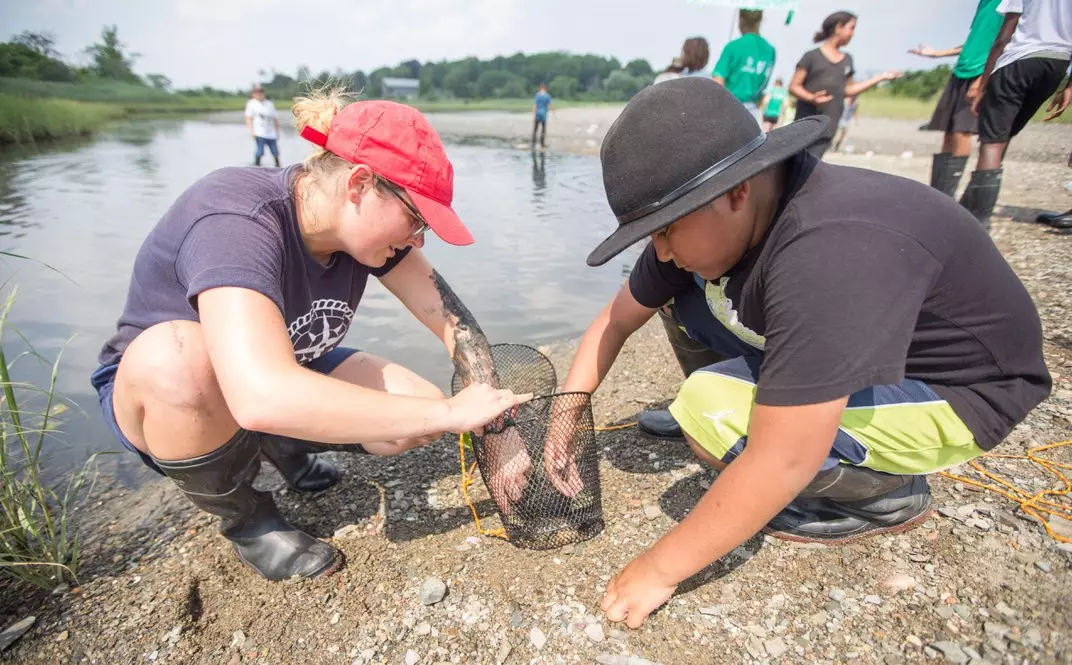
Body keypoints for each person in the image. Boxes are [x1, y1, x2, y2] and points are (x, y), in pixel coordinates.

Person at [544, 78, 1049, 628]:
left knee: (707, 407)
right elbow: (614, 321)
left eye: (664, 230)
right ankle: (764, 410)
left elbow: (785, 457)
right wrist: (563, 421)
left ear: (736, 191)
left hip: (956, 391)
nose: (658, 250)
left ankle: (883, 491)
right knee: (673, 297)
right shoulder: (721, 215)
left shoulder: (824, 251)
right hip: (868, 347)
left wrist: (659, 569)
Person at [89, 87, 532, 583]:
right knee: (178, 361)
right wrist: (452, 413)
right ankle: (249, 519)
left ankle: (282, 445)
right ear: (360, 184)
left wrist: (499, 433)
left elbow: (455, 323)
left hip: (282, 369)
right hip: (170, 389)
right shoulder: (238, 219)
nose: (418, 238)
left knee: (414, 410)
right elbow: (258, 394)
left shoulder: (371, 237)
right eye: (416, 218)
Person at [960, 0, 1072, 229]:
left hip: (1018, 61)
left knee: (992, 142)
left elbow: (1003, 36)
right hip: (1057, 63)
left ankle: (978, 222)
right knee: (1004, 134)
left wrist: (983, 84)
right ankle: (968, 205)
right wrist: (1070, 84)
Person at [910, 0, 1005, 197]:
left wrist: (982, 80)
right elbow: (974, 43)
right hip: (961, 71)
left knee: (962, 131)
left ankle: (948, 197)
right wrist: (936, 54)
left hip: (980, 72)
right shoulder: (984, 4)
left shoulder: (1007, 3)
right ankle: (938, 194)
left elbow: (1006, 42)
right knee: (949, 131)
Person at [789, 11, 903, 159]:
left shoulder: (847, 60)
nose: (853, 34)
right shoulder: (811, 57)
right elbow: (793, 86)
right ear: (838, 28)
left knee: (814, 162)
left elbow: (848, 90)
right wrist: (811, 98)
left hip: (829, 124)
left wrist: (881, 77)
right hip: (806, 123)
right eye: (851, 28)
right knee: (797, 162)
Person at [712, 9, 776, 120]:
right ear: (760, 20)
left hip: (729, 107)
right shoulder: (771, 50)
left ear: (741, 19)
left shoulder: (733, 46)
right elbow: (765, 85)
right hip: (752, 112)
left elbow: (718, 80)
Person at [245, 84, 282, 167]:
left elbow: (275, 118)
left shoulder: (269, 104)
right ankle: (256, 166)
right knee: (260, 151)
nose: (259, 94)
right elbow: (248, 118)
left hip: (271, 133)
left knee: (275, 151)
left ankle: (278, 166)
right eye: (257, 92)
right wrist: (251, 132)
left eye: (261, 92)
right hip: (259, 132)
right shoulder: (251, 104)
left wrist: (277, 131)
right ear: (253, 94)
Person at [532, 83, 553, 149]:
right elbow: (549, 106)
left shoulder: (537, 95)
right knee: (543, 129)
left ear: (540, 88)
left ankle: (533, 143)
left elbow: (535, 106)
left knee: (535, 129)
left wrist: (534, 115)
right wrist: (554, 113)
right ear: (545, 88)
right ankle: (542, 144)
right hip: (544, 114)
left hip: (538, 114)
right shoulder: (548, 96)